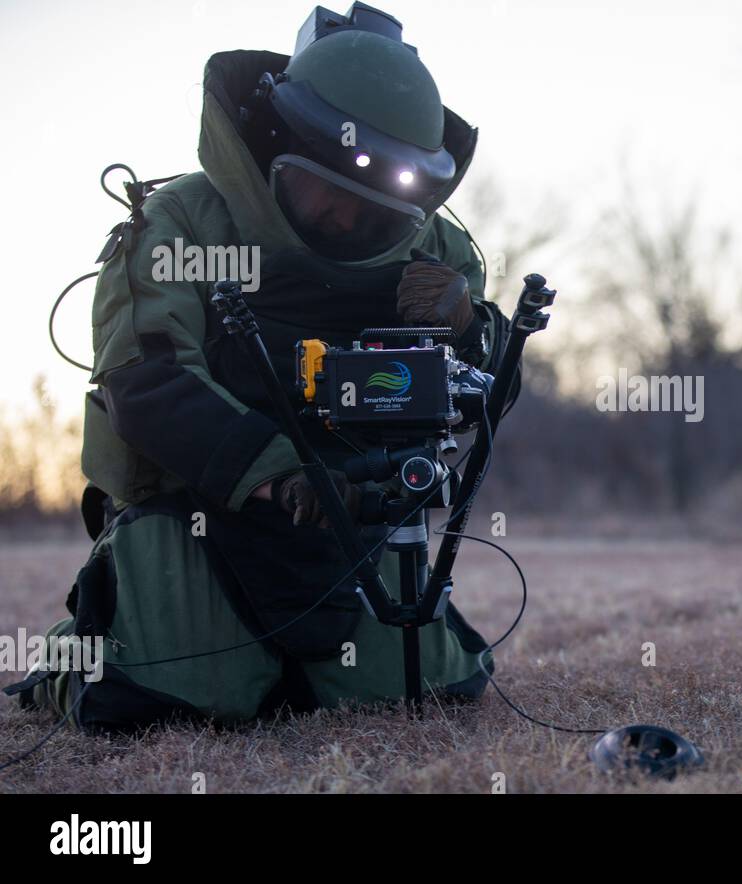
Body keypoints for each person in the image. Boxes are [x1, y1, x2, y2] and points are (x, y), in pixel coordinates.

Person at [11, 3, 507, 731]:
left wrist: (473, 332)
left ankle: (293, 667)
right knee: (156, 702)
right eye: (326, 195)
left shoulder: (441, 257)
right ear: (278, 151)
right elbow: (146, 385)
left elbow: (483, 403)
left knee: (424, 691)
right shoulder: (180, 224)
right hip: (199, 515)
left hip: (357, 520)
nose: (344, 222)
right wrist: (281, 473)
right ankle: (73, 656)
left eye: (371, 212)